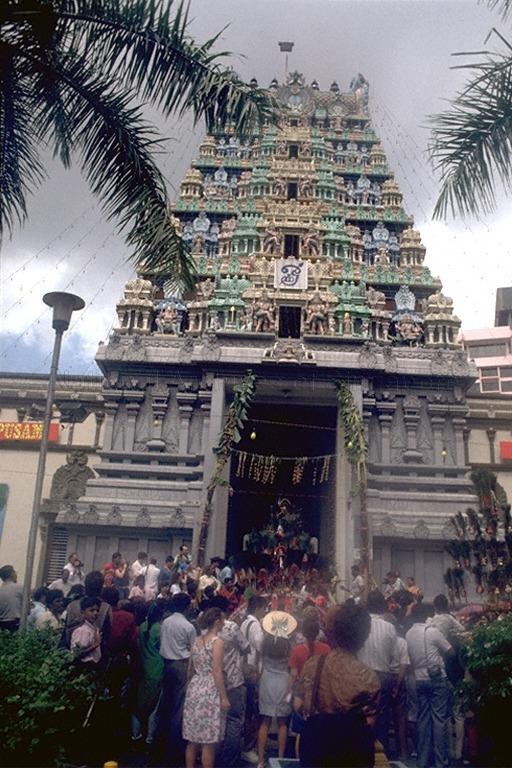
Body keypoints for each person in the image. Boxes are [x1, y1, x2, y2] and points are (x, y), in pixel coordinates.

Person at [295, 603, 380, 768]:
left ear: (335, 631)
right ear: (364, 637)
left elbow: (298, 704)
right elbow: (369, 722)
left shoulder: (313, 664)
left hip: (316, 747)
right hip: (352, 752)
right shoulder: (369, 677)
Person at [406, 602, 454, 768]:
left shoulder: (409, 633)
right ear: (427, 616)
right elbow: (451, 652)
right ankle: (441, 762)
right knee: (439, 720)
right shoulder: (433, 631)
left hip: (419, 680)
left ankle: (423, 761)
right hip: (437, 679)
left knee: (423, 720)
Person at [183, 607, 230, 768]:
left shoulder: (196, 641)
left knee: (192, 740)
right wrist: (224, 697)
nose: (224, 623)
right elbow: (217, 671)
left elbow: (190, 669)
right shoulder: (217, 642)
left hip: (195, 687)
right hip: (210, 689)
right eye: (222, 620)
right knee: (208, 742)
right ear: (217, 621)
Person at [357, 589, 400, 754]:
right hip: (383, 675)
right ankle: (382, 756)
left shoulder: (360, 625)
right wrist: (394, 679)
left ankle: (361, 753)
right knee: (382, 718)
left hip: (362, 674)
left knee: (361, 716)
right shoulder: (389, 627)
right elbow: (395, 659)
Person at [158, 592, 198, 766]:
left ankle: (161, 745)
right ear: (187, 607)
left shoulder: (166, 622)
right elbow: (194, 651)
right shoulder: (188, 626)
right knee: (179, 708)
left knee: (166, 704)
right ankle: (175, 749)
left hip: (166, 664)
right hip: (181, 665)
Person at [212, 595, 251, 767]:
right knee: (233, 720)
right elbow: (246, 647)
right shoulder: (231, 627)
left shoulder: (205, 627)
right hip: (233, 679)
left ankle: (212, 756)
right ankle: (228, 761)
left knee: (215, 720)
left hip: (213, 680)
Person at [257, 610, 297, 768]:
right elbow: (291, 667)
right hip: (283, 683)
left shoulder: (265, 643)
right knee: (282, 723)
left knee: (265, 721)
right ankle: (280, 757)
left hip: (266, 681)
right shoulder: (288, 645)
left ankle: (261, 759)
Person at [289, 610, 330, 758]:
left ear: (304, 633)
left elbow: (294, 674)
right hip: (321, 690)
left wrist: (288, 693)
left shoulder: (297, 650)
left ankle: (299, 759)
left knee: (301, 730)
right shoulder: (326, 649)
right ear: (317, 632)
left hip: (302, 692)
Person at [132, 602, 165, 746]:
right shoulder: (159, 629)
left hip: (143, 668)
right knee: (154, 708)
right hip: (157, 669)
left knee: (139, 706)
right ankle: (149, 739)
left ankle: (135, 735)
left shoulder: (142, 626)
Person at [240, 595, 267, 765]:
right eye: (264, 608)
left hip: (246, 669)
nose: (265, 611)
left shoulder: (245, 622)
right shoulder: (255, 625)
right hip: (253, 671)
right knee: (253, 710)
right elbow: (262, 646)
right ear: (258, 608)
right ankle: (249, 748)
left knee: (248, 709)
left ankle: (248, 745)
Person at [63, 570, 112, 656]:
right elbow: (107, 634)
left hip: (71, 652)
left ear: (85, 586)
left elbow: (66, 629)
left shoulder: (72, 605)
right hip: (95, 653)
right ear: (101, 588)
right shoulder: (105, 607)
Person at [70, 596, 102, 666]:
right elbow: (76, 654)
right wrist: (95, 645)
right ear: (82, 612)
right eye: (91, 610)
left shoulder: (94, 628)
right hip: (85, 666)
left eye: (97, 610)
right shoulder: (82, 630)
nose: (95, 613)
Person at [0, 564, 23, 631]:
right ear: (12, 574)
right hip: (16, 624)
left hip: (2, 625)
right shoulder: (20, 588)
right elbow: (27, 610)